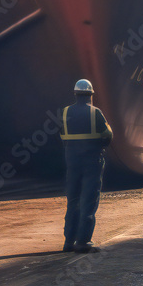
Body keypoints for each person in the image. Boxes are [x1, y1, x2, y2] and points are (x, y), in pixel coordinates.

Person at [60, 79, 113, 253]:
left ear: (75, 94)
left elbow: (61, 135)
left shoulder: (65, 112)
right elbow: (108, 135)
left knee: (73, 200)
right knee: (89, 200)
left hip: (72, 162)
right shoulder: (95, 112)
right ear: (91, 95)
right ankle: (83, 242)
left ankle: (69, 242)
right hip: (92, 161)